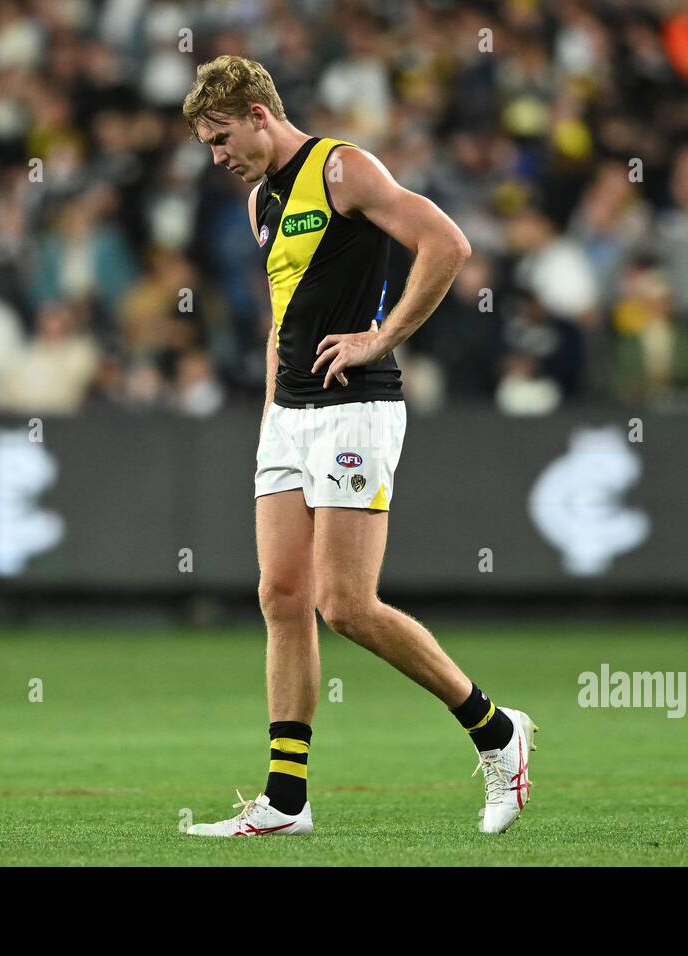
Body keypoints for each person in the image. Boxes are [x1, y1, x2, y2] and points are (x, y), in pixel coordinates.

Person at [181, 56, 537, 838]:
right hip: (290, 415)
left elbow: (445, 243)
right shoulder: (259, 201)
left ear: (258, 114)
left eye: (219, 137)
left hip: (355, 412)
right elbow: (282, 317)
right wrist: (272, 417)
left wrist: (382, 337)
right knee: (280, 596)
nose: (216, 156)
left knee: (344, 603)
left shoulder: (342, 168)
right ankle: (285, 801)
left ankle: (496, 732)